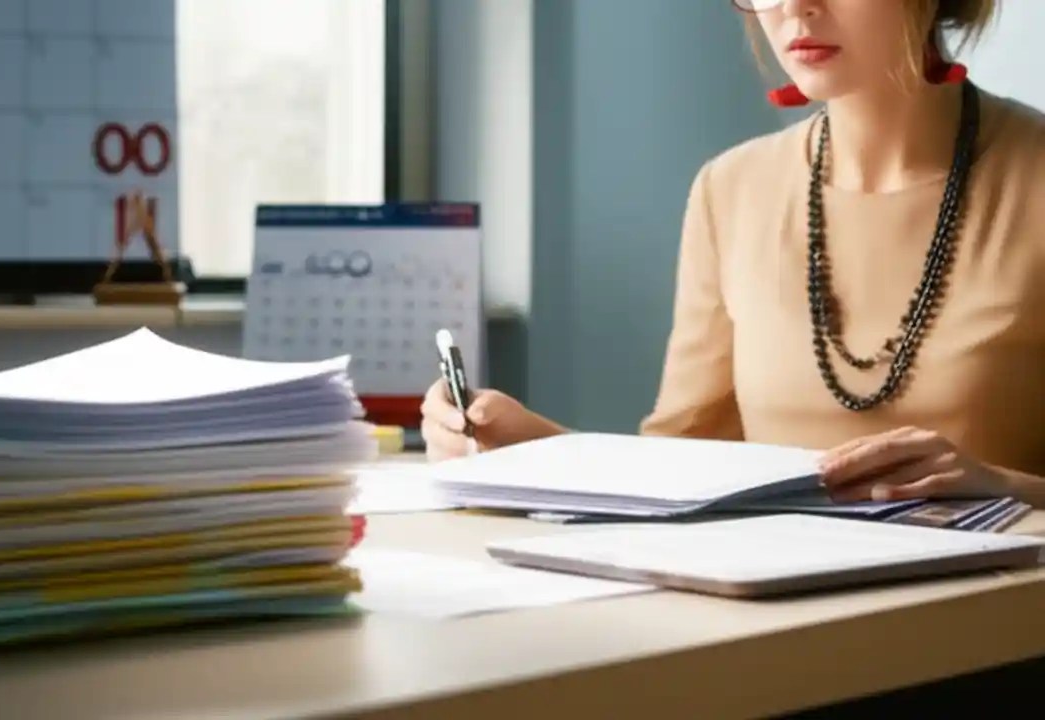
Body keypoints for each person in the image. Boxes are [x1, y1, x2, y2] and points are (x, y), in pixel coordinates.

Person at [420, 0, 1045, 508]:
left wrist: (1003, 488)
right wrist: (530, 446)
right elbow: (683, 460)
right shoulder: (732, 189)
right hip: (768, 616)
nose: (796, 7)